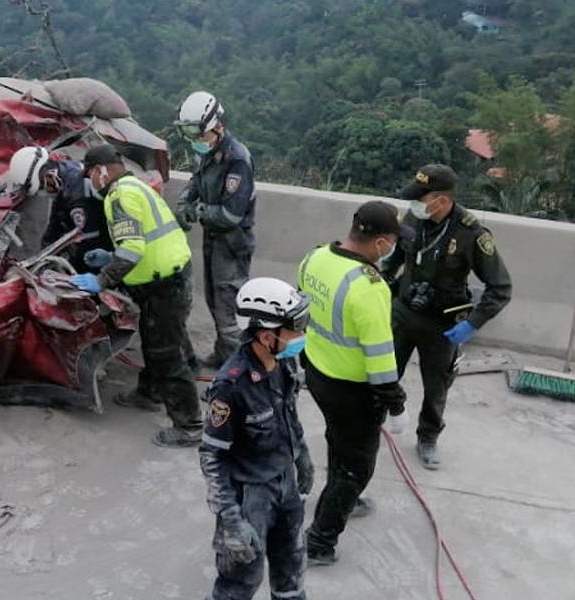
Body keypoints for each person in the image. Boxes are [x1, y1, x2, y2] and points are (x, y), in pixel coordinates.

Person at [296, 200, 410, 566]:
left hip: (317, 372)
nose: (393, 247)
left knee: (338, 440)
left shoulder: (314, 258)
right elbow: (380, 356)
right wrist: (395, 404)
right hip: (352, 390)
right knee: (357, 466)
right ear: (380, 243)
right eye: (392, 240)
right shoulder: (369, 288)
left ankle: (344, 497)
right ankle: (319, 542)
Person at [69, 144, 203, 448]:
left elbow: (133, 248)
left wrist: (102, 279)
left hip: (164, 284)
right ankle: (149, 393)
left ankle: (190, 425)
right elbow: (142, 239)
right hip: (169, 275)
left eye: (91, 174)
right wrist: (110, 255)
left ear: (101, 170)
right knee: (155, 340)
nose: (91, 182)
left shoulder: (119, 197)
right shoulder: (136, 186)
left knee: (167, 354)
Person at [383, 164, 513, 470]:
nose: (414, 204)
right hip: (402, 313)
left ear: (441, 201)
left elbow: (501, 287)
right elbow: (395, 259)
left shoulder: (471, 234)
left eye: (421, 198)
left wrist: (472, 323)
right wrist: (381, 283)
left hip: (441, 324)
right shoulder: (415, 217)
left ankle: (428, 437)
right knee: (384, 373)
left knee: (436, 386)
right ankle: (373, 423)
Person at [199, 277, 315, 600]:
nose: (301, 336)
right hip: (249, 495)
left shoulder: (285, 363)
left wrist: (301, 454)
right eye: (296, 328)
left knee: (290, 569)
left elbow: (289, 415)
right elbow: (212, 456)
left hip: (285, 483)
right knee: (241, 580)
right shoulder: (230, 386)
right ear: (266, 336)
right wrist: (231, 520)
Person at [174, 91, 257, 368]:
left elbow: (231, 214)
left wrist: (197, 212)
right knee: (213, 300)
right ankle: (223, 354)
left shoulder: (238, 159)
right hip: (213, 239)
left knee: (228, 306)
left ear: (217, 126)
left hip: (232, 243)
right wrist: (185, 201)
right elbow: (195, 182)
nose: (197, 143)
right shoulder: (207, 152)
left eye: (201, 136)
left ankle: (236, 369)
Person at [4, 146, 111, 273]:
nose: (42, 190)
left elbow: (88, 239)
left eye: (41, 185)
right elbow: (56, 217)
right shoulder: (64, 172)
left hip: (103, 244)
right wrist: (45, 249)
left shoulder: (76, 196)